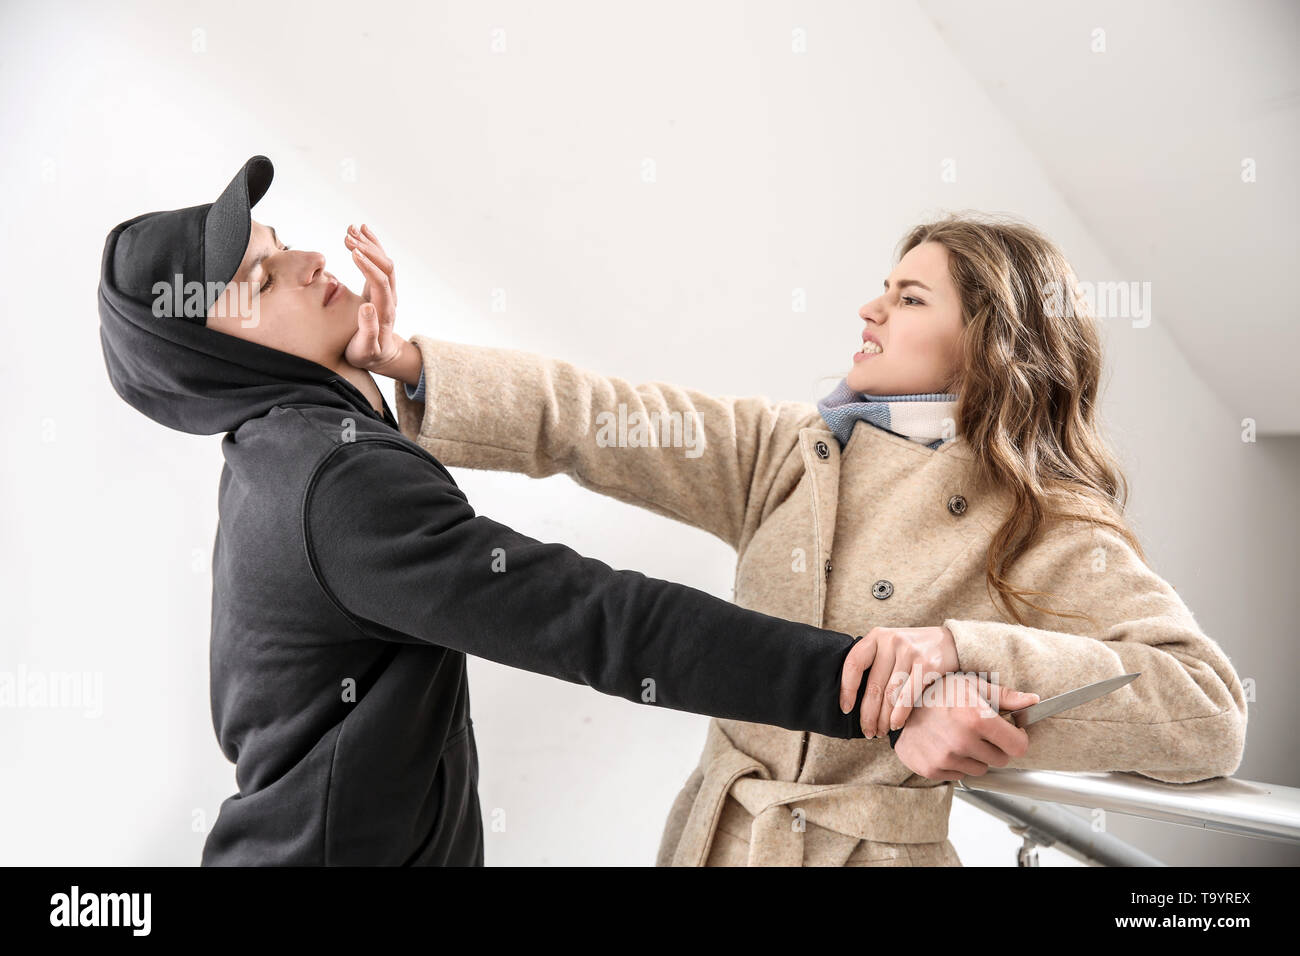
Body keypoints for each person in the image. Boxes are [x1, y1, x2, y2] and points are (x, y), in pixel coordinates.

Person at [98, 155, 1042, 866]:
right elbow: (598, 621)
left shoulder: (289, 453)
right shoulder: (331, 481)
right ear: (217, 359)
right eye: (260, 282)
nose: (304, 262)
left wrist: (380, 373)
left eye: (278, 243)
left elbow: (589, 429)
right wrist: (873, 688)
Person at [362, 213, 1250, 867]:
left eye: (906, 297)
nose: (870, 308)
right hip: (714, 843)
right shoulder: (792, 454)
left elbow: (1206, 710)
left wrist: (961, 657)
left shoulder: (1044, 518)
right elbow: (607, 417)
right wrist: (413, 362)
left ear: (988, 342)